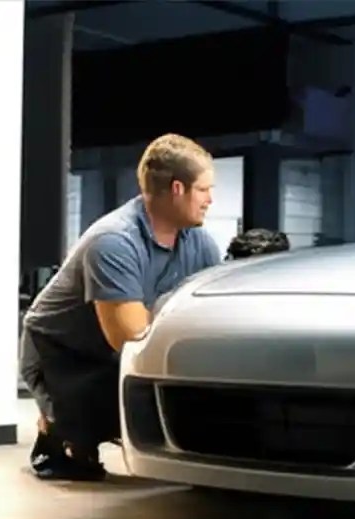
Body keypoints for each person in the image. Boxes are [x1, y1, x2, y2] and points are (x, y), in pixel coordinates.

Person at [21, 133, 223, 481]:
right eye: (204, 190)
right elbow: (130, 340)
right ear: (178, 188)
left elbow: (210, 320)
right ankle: (57, 429)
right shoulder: (113, 241)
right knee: (75, 459)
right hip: (63, 353)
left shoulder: (199, 241)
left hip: (110, 350)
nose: (210, 200)